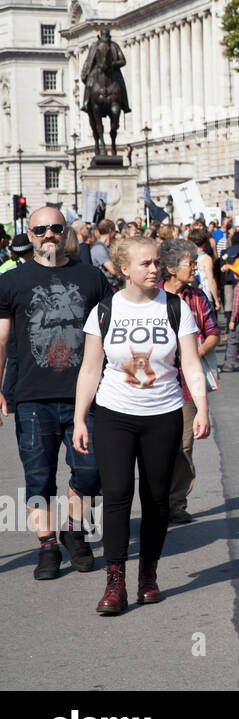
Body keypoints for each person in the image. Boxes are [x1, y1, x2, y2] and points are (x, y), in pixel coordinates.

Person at [74, 235, 208, 613]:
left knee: (156, 499)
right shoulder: (105, 310)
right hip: (115, 415)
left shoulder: (176, 308)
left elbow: (192, 364)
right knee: (116, 496)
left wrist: (201, 408)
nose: (155, 269)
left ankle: (147, 574)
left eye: (157, 263)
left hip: (163, 414)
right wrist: (80, 418)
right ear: (123, 270)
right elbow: (90, 369)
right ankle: (114, 582)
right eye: (146, 263)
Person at [0, 208, 113, 580]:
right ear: (29, 234)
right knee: (39, 478)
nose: (48, 234)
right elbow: (1, 339)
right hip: (33, 397)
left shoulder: (91, 277)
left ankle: (75, 530)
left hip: (86, 395)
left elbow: (111, 333)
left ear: (65, 233)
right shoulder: (12, 281)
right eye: (40, 229)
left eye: (55, 228)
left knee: (92, 471)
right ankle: (48, 546)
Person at [159, 238, 220, 524]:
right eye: (190, 264)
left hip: (186, 385)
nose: (195, 268)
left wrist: (194, 353)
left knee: (184, 445)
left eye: (195, 263)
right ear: (170, 268)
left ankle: (176, 503)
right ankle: (155, 502)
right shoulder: (152, 297)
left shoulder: (197, 297)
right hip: (154, 384)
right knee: (155, 448)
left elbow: (213, 333)